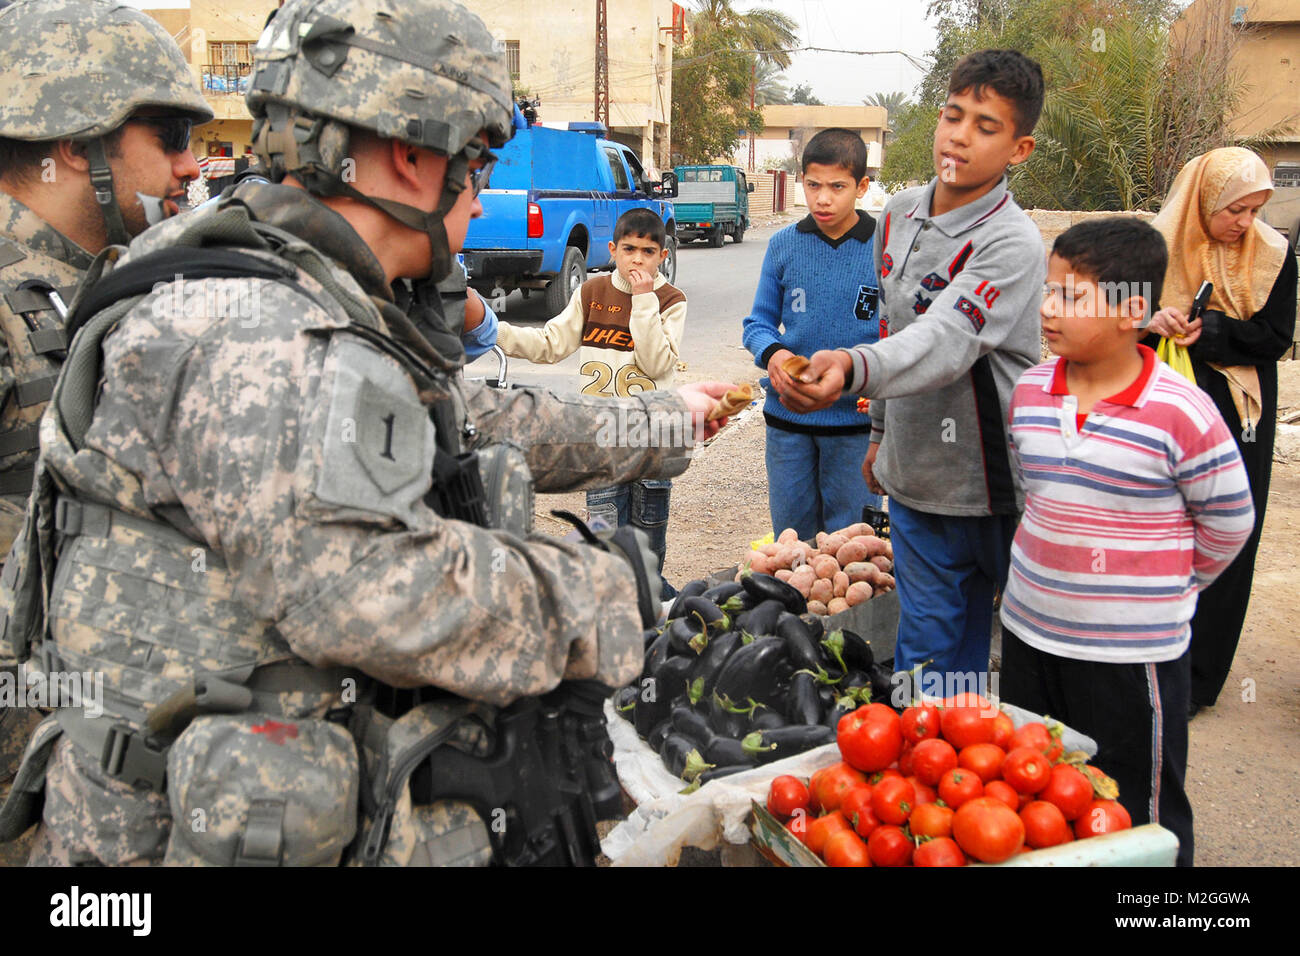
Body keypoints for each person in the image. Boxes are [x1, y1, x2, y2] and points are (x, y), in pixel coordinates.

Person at [0, 0, 734, 866]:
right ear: (415, 156)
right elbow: (367, 590)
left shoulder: (302, 289)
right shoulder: (258, 326)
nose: (480, 198)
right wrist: (611, 590)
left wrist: (664, 420)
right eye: (479, 165)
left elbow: (458, 420)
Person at [0, 0, 211, 858]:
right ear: (71, 142)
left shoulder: (95, 290)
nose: (192, 165)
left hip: (74, 757)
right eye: (166, 134)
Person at [780, 50, 1047, 686]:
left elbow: (946, 339)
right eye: (953, 115)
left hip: (997, 485)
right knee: (928, 650)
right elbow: (896, 329)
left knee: (1029, 657)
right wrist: (880, 436)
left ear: (1020, 149)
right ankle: (932, 766)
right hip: (915, 478)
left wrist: (849, 366)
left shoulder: (1012, 243)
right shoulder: (898, 216)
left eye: (986, 126)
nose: (959, 134)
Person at [1000, 217, 1255, 866]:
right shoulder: (1030, 391)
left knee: (1136, 811)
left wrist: (1163, 583)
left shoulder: (1182, 411)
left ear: (1132, 311)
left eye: (1072, 296)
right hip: (1031, 637)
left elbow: (1228, 522)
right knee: (1036, 795)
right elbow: (1034, 492)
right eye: (1047, 292)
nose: (1049, 310)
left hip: (1130, 655)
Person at [1145, 147, 1298, 718]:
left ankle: (1198, 680)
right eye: (1235, 209)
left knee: (1227, 532)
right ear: (1204, 199)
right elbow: (1120, 319)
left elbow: (1276, 337)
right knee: (1162, 528)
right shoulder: (1158, 249)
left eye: (1256, 210)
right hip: (1162, 410)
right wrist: (1152, 320)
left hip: (1241, 412)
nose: (1245, 223)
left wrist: (1208, 331)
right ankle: (1147, 659)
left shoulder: (1275, 256)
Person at [495, 207, 686, 596]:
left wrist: (644, 300)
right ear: (613, 250)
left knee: (647, 546)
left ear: (662, 256)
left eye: (648, 252)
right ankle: (611, 615)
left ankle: (652, 616)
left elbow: (656, 361)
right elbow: (550, 344)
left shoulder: (670, 300)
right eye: (629, 249)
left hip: (652, 441)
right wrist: (490, 330)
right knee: (605, 541)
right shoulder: (591, 293)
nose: (637, 259)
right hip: (601, 440)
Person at [742, 128, 882, 541]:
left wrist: (883, 385)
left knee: (854, 544)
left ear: (861, 187)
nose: (823, 198)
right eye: (813, 185)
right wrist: (775, 356)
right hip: (789, 420)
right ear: (801, 180)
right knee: (792, 542)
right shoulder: (784, 244)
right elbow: (758, 323)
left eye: (837, 187)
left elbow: (901, 333)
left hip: (857, 423)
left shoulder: (885, 246)